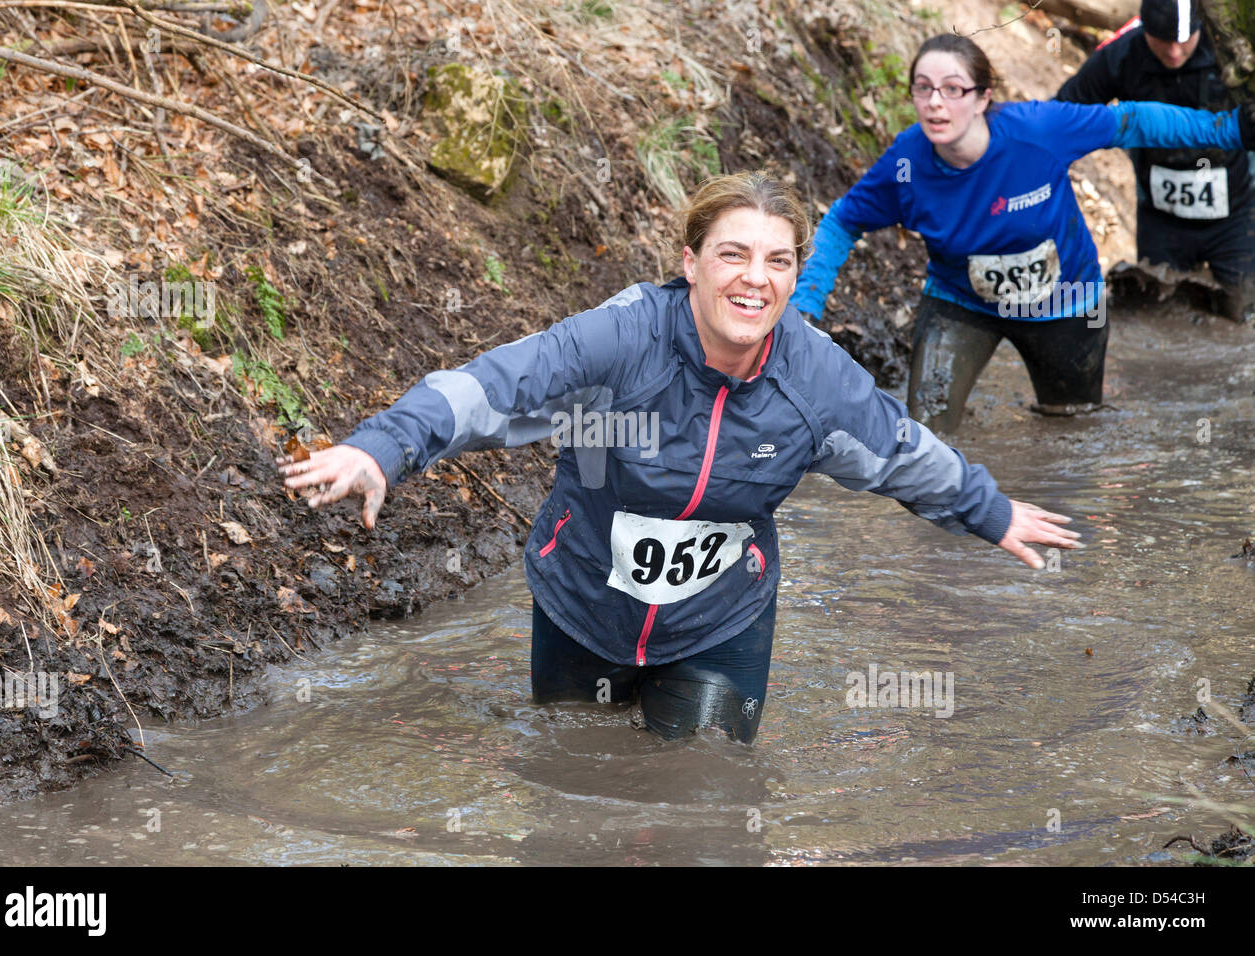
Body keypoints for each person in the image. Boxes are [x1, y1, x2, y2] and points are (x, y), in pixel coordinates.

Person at [278, 171, 1081, 745]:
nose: (754, 281)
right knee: (574, 787)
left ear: (794, 277)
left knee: (708, 805)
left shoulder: (816, 379)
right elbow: (490, 387)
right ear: (691, 262)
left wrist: (991, 510)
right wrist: (381, 448)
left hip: (719, 619)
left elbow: (900, 454)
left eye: (776, 262)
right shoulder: (622, 339)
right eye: (733, 255)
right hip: (581, 602)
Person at [791, 33, 1255, 434]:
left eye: (952, 89)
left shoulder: (1038, 130)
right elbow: (843, 221)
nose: (935, 102)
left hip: (1068, 304)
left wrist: (1230, 128)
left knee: (1071, 433)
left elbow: (1132, 120)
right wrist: (804, 306)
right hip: (962, 304)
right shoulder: (906, 164)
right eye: (923, 88)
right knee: (926, 432)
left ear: (982, 97)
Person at [1055, 0, 1255, 324]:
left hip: (1235, 215)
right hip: (1161, 220)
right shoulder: (1121, 56)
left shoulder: (1231, 52)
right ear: (1144, 29)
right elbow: (1063, 114)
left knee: (1243, 316)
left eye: (1184, 40)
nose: (1174, 53)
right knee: (1157, 320)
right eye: (1163, 40)